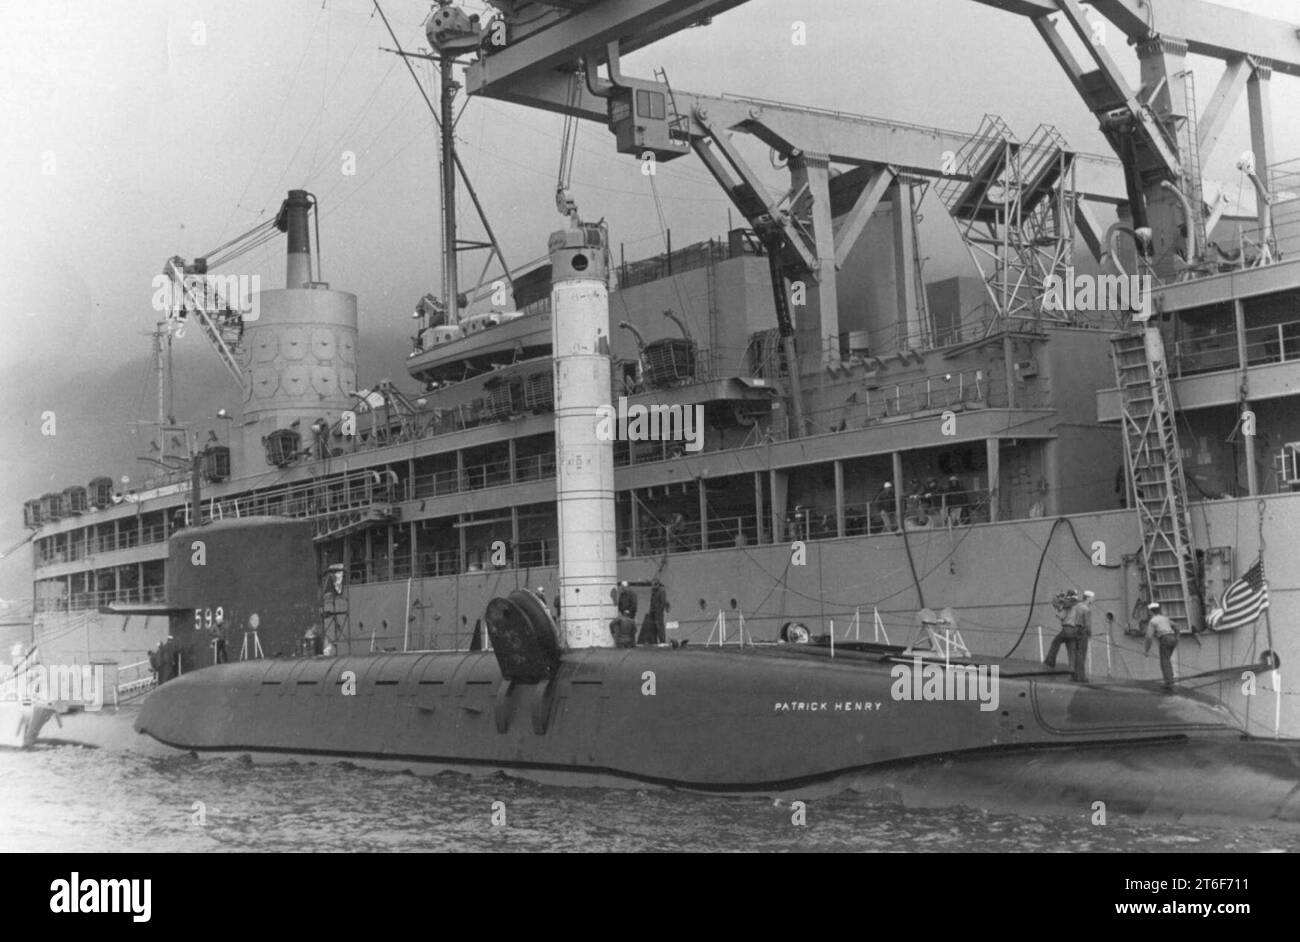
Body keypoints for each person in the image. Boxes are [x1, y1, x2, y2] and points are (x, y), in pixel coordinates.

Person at [1144, 601, 1178, 691]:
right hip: (1172, 638)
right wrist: (1177, 637)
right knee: (1167, 660)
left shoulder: (1153, 621)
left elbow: (1148, 637)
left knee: (1164, 662)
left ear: (1151, 612)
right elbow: (1176, 626)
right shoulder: (1165, 618)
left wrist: (1146, 650)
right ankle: (1170, 680)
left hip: (1165, 639)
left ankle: (1169, 683)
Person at [1044, 590, 1079, 673]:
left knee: (1055, 643)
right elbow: (1064, 615)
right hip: (1075, 630)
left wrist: (1058, 598)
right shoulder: (1077, 605)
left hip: (1067, 629)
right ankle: (1072, 669)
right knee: (1071, 649)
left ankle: (1050, 662)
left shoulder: (1070, 603)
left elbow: (1060, 610)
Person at [638, 580, 669, 645]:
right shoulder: (653, 591)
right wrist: (651, 611)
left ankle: (662, 641)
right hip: (653, 611)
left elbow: (663, 602)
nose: (652, 586)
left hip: (658, 612)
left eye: (654, 585)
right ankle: (654, 641)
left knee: (660, 626)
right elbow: (652, 602)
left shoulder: (661, 591)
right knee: (653, 627)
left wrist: (659, 611)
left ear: (657, 584)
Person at [1072, 590, 1094, 682]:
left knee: (1076, 654)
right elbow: (1087, 624)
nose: (1093, 599)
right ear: (1088, 598)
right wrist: (1090, 633)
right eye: (1092, 597)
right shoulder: (1086, 609)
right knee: (1082, 655)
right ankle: (1081, 677)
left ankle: (1075, 675)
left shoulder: (1077, 606)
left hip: (1075, 630)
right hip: (1083, 631)